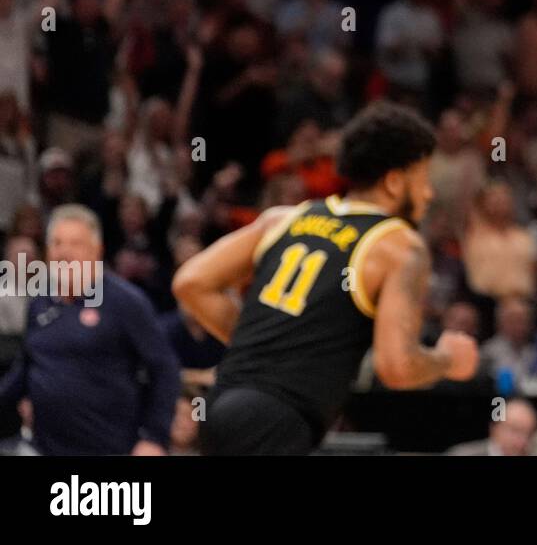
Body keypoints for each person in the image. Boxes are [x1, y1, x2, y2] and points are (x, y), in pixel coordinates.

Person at [173, 100, 478, 454]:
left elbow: (190, 283)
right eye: (423, 178)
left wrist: (264, 342)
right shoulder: (399, 246)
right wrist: (448, 360)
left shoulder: (285, 218)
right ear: (395, 182)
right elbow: (397, 366)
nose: (429, 193)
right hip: (277, 420)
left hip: (223, 406)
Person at [0, 205, 179, 455]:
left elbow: (164, 368)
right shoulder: (39, 302)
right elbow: (26, 368)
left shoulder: (126, 301)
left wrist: (155, 437)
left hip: (109, 447)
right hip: (43, 447)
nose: (64, 252)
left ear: (97, 250)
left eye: (75, 243)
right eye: (57, 243)